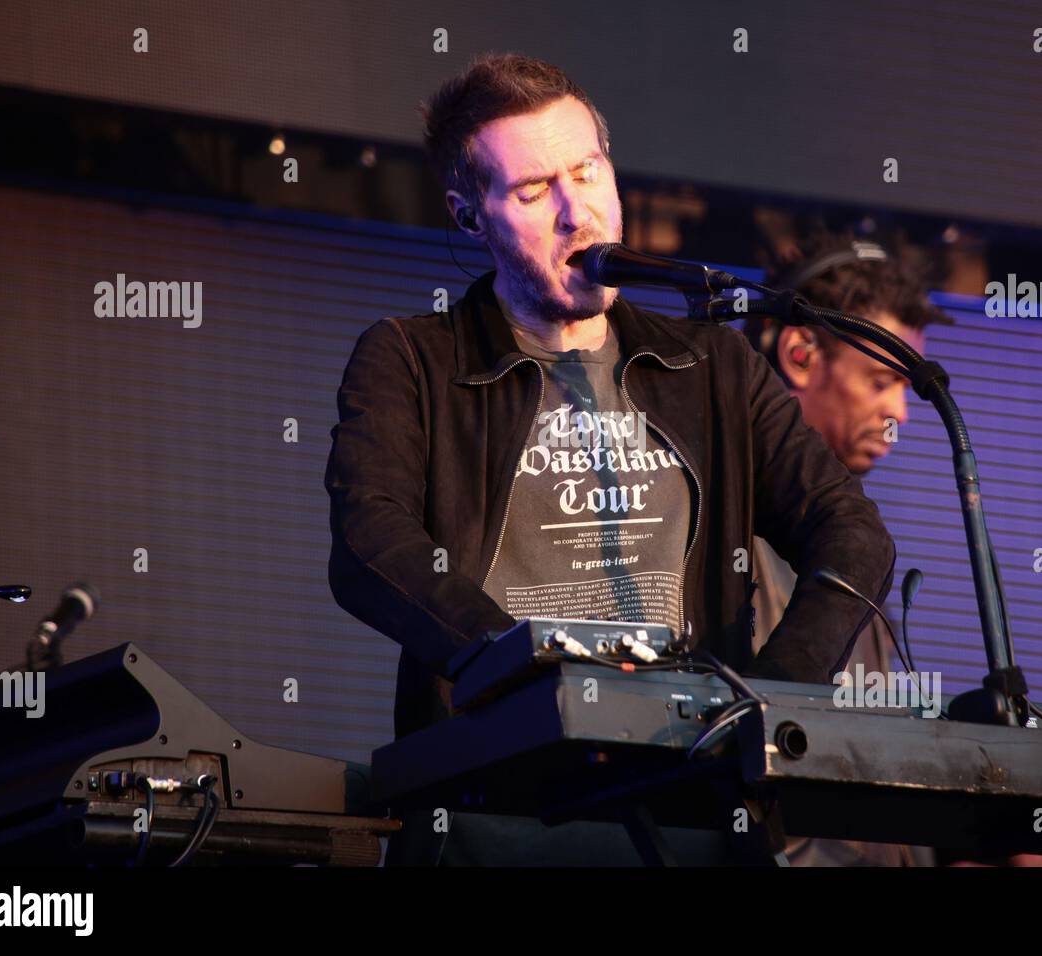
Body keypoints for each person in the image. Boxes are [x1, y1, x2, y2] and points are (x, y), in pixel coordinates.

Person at [324, 54, 896, 865]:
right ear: (467, 215)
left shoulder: (713, 366)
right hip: (497, 800)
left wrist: (771, 698)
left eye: (588, 172)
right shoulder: (412, 359)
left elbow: (853, 534)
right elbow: (366, 544)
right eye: (532, 193)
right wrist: (518, 665)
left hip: (692, 805)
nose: (576, 212)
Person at [744, 233, 950, 865]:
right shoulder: (733, 535)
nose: (901, 412)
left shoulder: (853, 540)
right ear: (801, 354)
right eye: (883, 380)